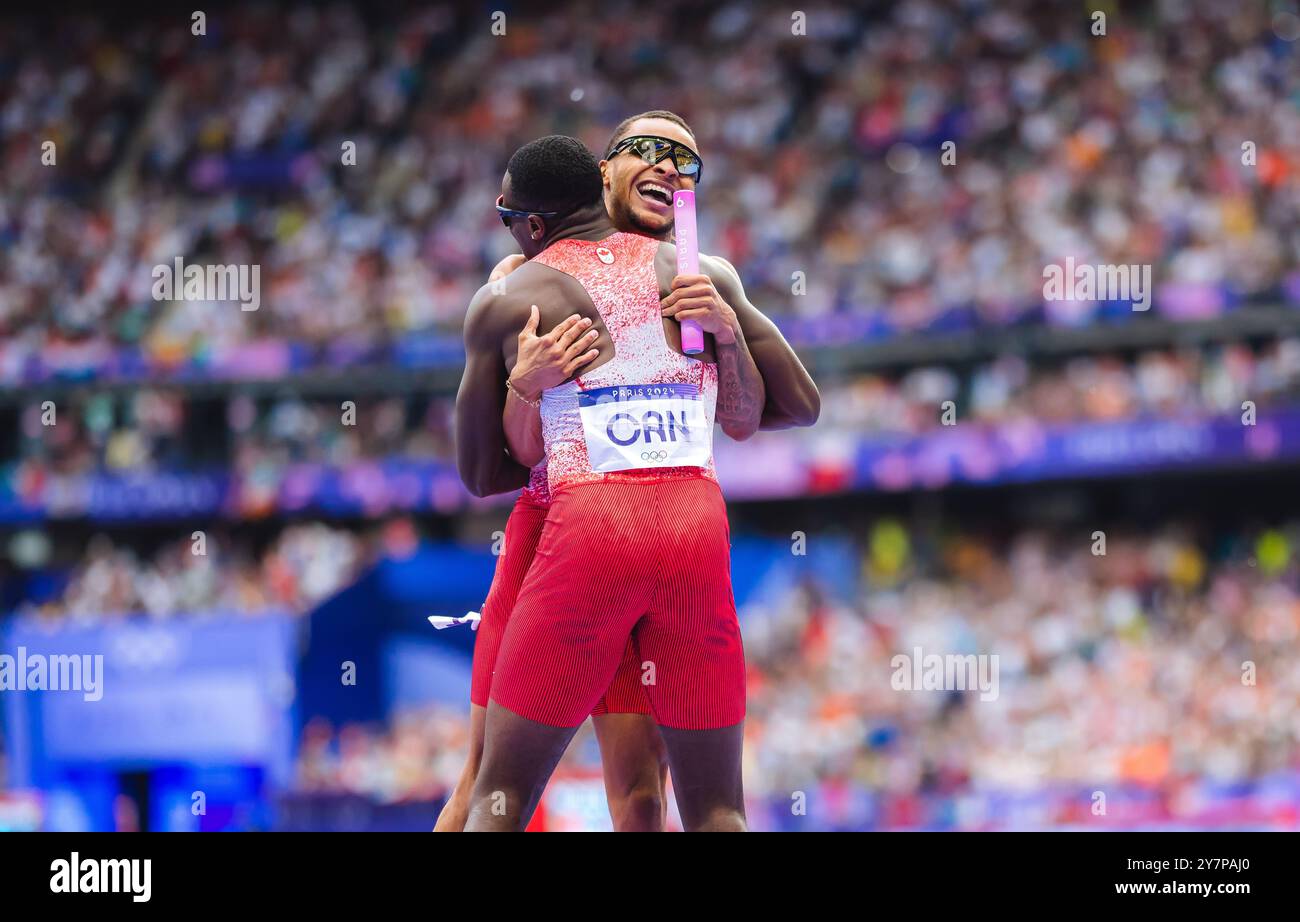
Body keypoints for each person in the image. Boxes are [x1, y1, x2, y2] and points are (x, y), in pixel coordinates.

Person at [439, 117, 818, 832]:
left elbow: (484, 473)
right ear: (601, 172)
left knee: (590, 794)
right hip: (668, 525)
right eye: (647, 150)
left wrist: (727, 335)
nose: (667, 167)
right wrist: (525, 388)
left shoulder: (694, 278)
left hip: (582, 536)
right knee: (700, 806)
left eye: (685, 161)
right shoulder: (544, 279)